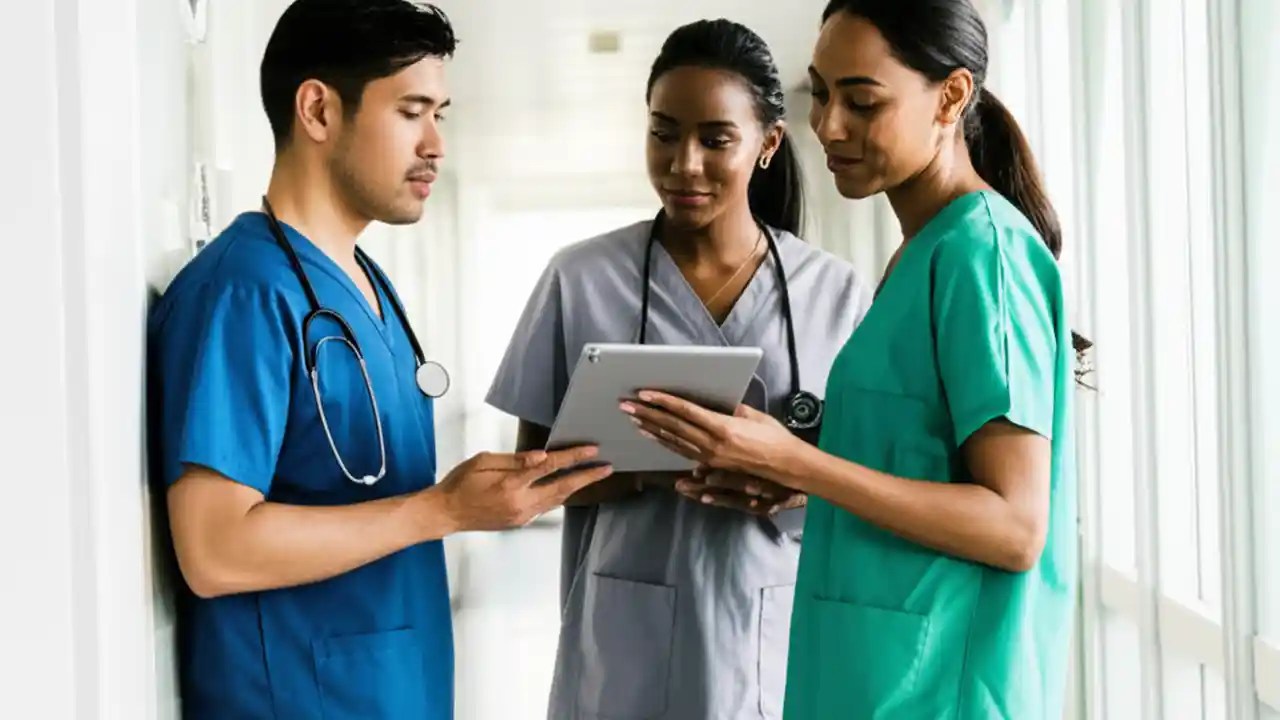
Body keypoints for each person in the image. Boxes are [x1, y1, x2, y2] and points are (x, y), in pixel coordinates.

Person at [146, 2, 612, 718]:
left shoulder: (367, 285)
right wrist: (444, 509)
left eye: (441, 115)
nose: (436, 145)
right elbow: (215, 550)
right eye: (412, 112)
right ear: (318, 110)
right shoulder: (242, 293)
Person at [622, 1, 1085, 718]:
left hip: (939, 693)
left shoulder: (980, 254)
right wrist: (802, 486)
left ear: (952, 97)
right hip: (875, 678)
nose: (829, 126)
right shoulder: (919, 252)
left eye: (862, 102)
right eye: (822, 94)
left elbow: (1014, 527)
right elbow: (918, 462)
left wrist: (794, 462)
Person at [485, 18, 871, 720]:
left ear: (767, 145)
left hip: (776, 630)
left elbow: (867, 484)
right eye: (663, 133)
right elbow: (529, 480)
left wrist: (792, 484)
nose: (683, 163)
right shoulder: (581, 279)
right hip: (625, 633)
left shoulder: (835, 293)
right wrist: (647, 468)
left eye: (715, 139)